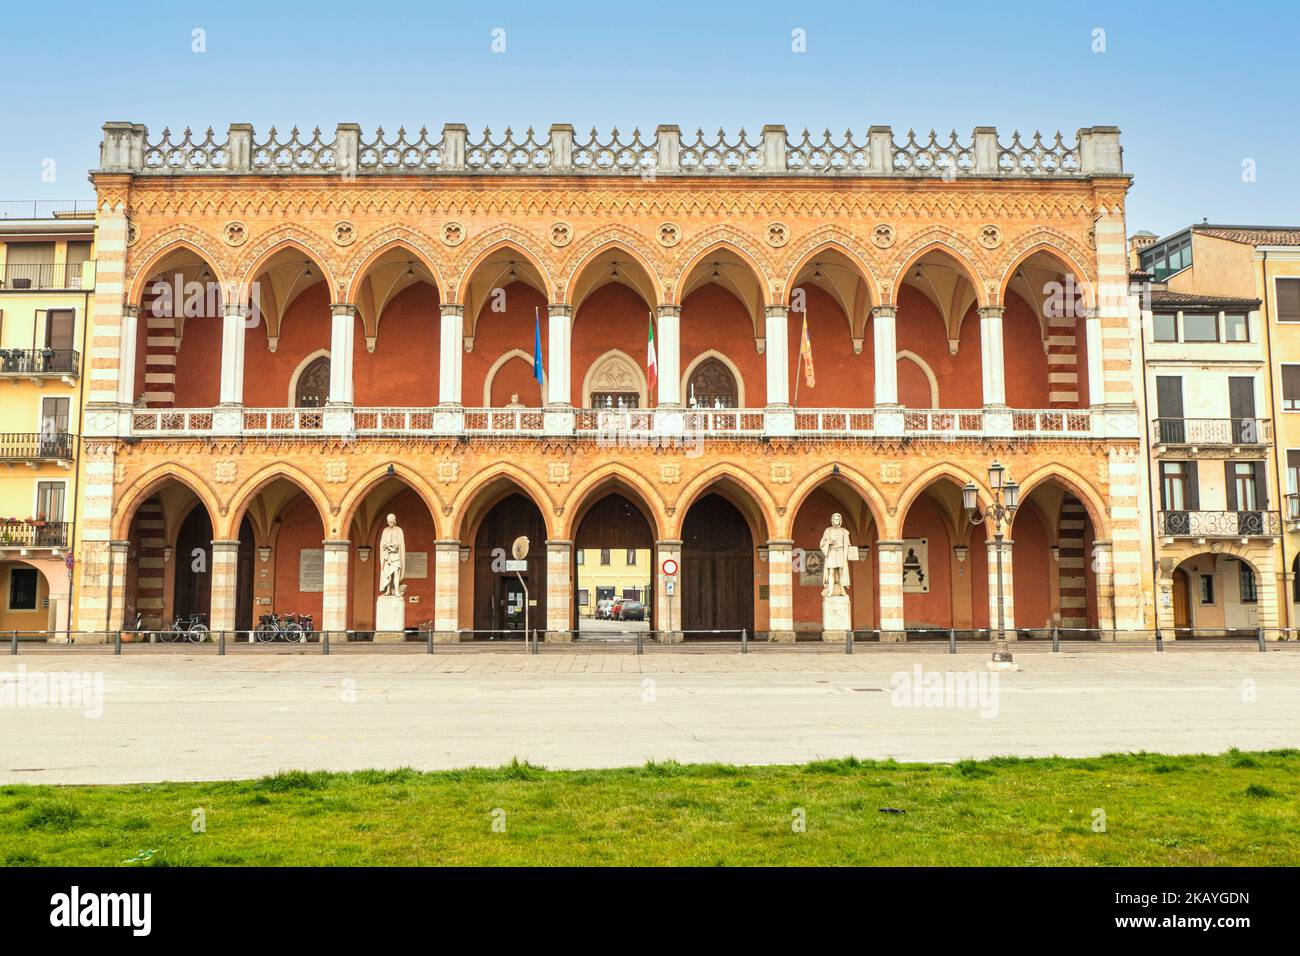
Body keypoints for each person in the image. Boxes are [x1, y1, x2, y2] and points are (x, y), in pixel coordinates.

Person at [819, 512, 852, 597]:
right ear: (832, 520)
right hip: (831, 552)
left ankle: (842, 591)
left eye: (837, 519)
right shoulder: (828, 530)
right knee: (831, 572)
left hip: (840, 552)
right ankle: (830, 591)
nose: (836, 520)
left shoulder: (844, 531)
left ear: (840, 520)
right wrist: (829, 542)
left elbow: (848, 545)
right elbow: (822, 544)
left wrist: (850, 550)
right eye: (834, 519)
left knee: (841, 572)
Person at [378, 513, 406, 596]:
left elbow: (401, 544)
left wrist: (395, 546)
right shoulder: (385, 530)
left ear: (394, 521)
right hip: (387, 556)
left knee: (396, 572)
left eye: (391, 521)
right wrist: (387, 546)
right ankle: (388, 590)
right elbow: (382, 544)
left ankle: (396, 590)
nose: (390, 523)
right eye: (388, 522)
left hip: (396, 555)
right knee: (388, 573)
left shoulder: (399, 530)